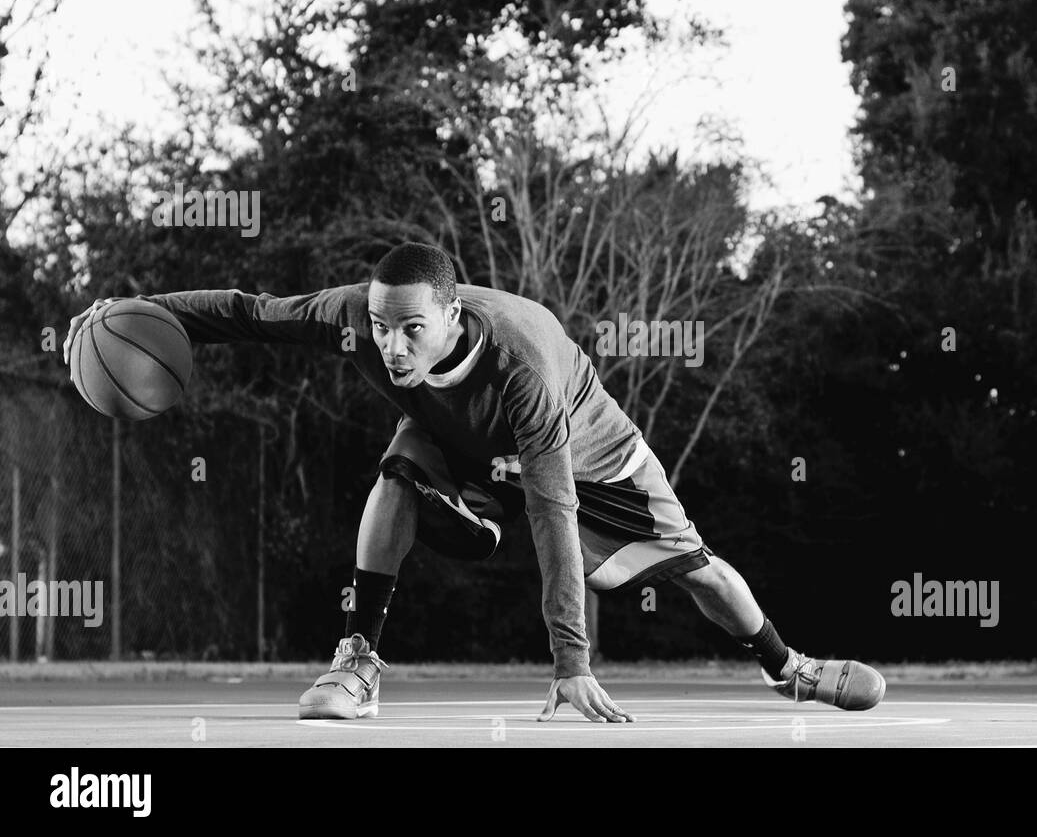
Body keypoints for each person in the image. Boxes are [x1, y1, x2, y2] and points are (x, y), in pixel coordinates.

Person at [63, 243, 885, 723]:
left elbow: (557, 509)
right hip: (456, 444)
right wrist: (127, 310)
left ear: (453, 316)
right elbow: (245, 312)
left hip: (587, 458)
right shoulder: (357, 317)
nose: (391, 346)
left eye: (411, 329)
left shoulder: (522, 358)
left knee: (696, 567)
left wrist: (573, 660)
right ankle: (358, 659)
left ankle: (790, 667)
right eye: (382, 326)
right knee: (396, 467)